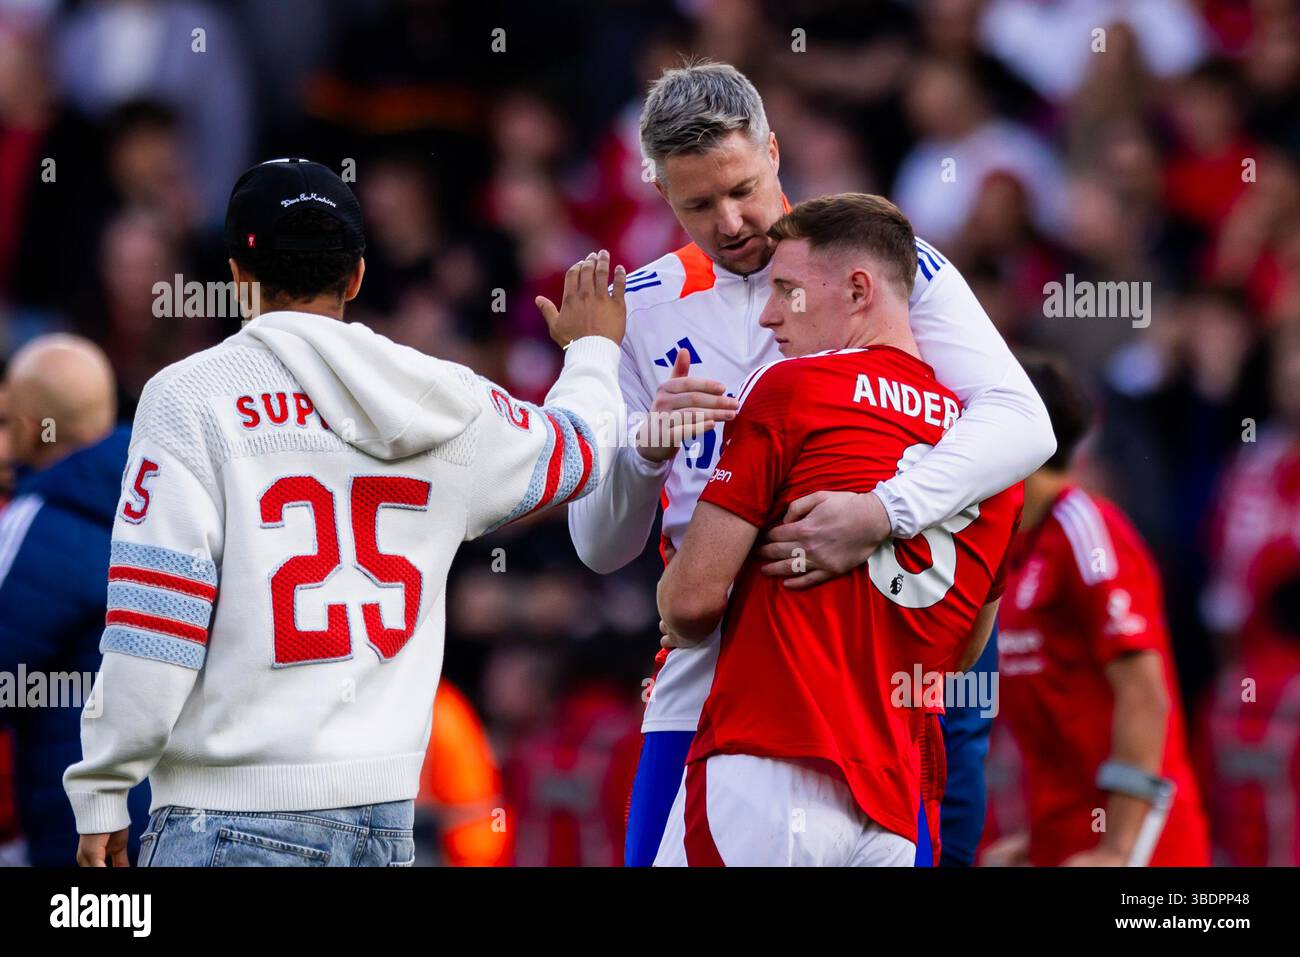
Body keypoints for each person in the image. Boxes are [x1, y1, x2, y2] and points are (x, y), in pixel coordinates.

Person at [64, 158, 627, 866]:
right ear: (357, 276)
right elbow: (576, 453)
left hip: (227, 819)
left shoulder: (189, 396)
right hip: (386, 828)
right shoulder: (443, 394)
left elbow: (157, 620)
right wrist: (594, 351)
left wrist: (105, 789)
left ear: (238, 275)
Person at [566, 60, 1054, 866]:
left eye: (743, 187)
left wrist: (883, 510)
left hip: (879, 676)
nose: (729, 221)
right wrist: (644, 451)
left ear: (775, 151)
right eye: (698, 203)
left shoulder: (894, 268)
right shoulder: (641, 309)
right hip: (707, 680)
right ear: (659, 194)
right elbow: (600, 546)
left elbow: (1021, 421)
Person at [654, 194, 1020, 866]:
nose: (768, 315)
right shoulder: (992, 462)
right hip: (890, 809)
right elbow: (965, 650)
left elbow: (691, 603)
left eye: (787, 291)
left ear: (858, 290)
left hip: (765, 770)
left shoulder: (793, 390)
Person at [992, 357, 1210, 866]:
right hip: (1067, 843)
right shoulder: (1020, 546)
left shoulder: (1085, 531)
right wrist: (1038, 840)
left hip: (1140, 852)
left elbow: (1144, 697)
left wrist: (1117, 847)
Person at [0, 335, 150, 866]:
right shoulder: (164, 497)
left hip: (79, 823)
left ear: (28, 423)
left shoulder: (40, 523)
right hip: (176, 814)